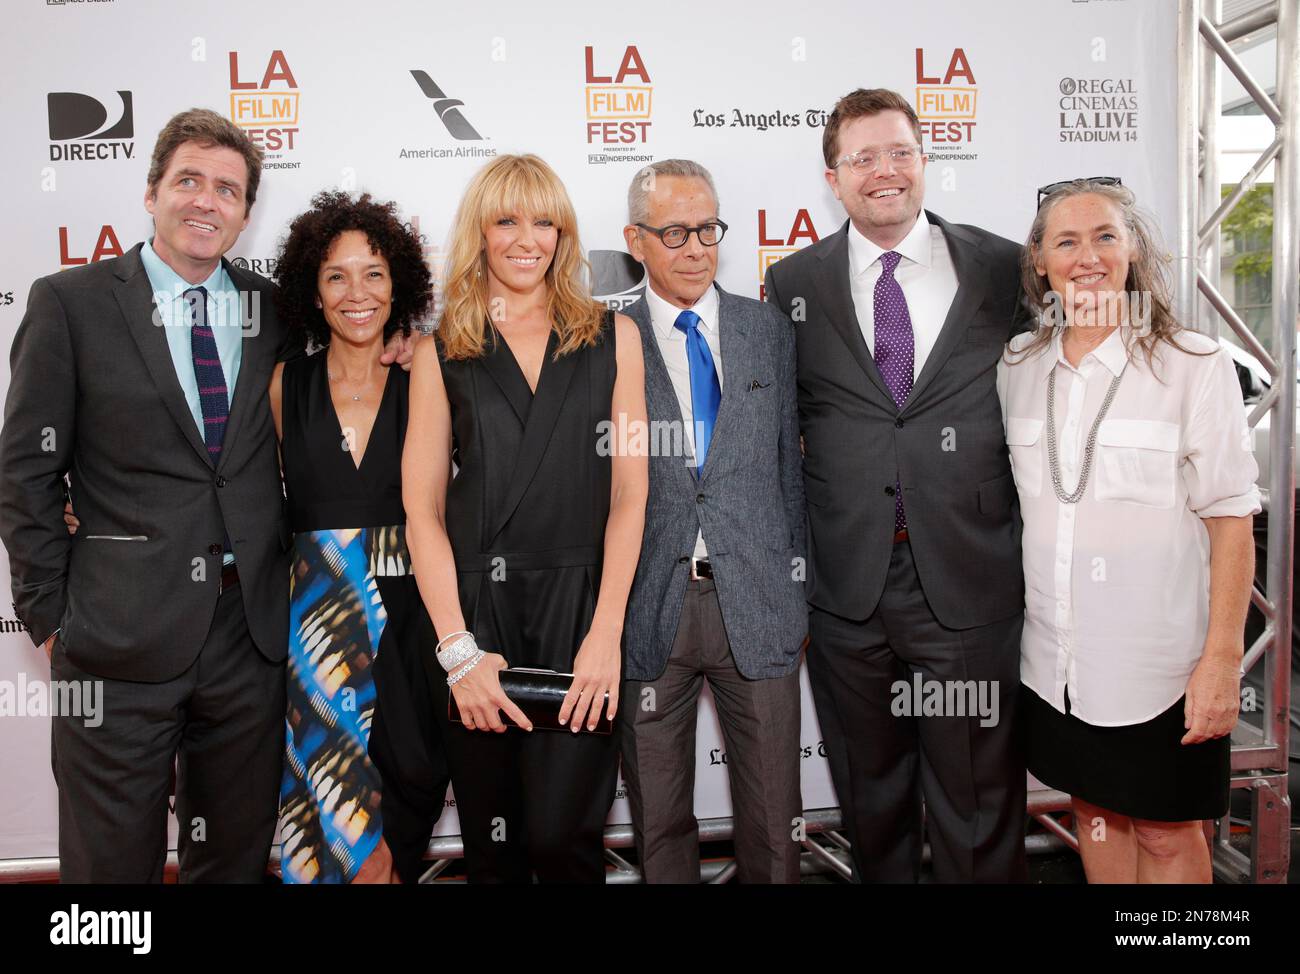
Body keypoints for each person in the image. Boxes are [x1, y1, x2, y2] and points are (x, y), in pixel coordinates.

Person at [0, 108, 291, 882]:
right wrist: (52, 618)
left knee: (232, 861)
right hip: (114, 639)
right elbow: (26, 472)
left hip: (248, 637)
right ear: (151, 191)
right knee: (110, 873)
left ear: (245, 214)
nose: (206, 201)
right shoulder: (71, 303)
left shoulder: (275, 311)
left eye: (227, 189)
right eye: (188, 180)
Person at [764, 88, 1028, 882]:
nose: (885, 171)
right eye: (863, 158)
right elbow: (784, 426)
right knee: (871, 801)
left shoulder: (1002, 266)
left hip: (968, 577)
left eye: (899, 152)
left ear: (924, 159)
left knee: (976, 800)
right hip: (848, 589)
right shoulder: (793, 283)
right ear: (833, 178)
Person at [998, 178, 1259, 884]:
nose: (1088, 257)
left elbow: (1232, 520)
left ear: (1134, 248)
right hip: (1055, 666)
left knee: (1168, 837)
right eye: (1067, 241)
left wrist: (1223, 661)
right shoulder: (1018, 366)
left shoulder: (1194, 365)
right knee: (1096, 816)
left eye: (1106, 236)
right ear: (1040, 261)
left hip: (1162, 668)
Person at [403, 154, 648, 883]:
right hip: (478, 616)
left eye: (544, 222)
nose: (526, 239)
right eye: (506, 220)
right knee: (495, 848)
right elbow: (422, 510)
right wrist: (458, 651)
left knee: (563, 840)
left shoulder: (614, 338)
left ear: (563, 234)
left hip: (582, 611)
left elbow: (631, 492)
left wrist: (606, 634)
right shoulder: (439, 351)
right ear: (479, 232)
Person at [618, 159, 806, 883]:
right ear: (636, 239)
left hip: (758, 602)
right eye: (674, 232)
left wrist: (798, 590)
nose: (696, 248)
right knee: (659, 821)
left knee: (774, 822)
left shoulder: (768, 330)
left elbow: (790, 471)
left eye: (708, 230)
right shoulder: (607, 338)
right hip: (646, 607)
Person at [270, 191, 449, 884]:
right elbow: (237, 492)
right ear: (312, 292)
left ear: (397, 284)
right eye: (337, 276)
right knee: (333, 815)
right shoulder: (284, 385)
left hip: (415, 610)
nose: (357, 293)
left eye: (374, 273)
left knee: (414, 781)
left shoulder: (428, 370)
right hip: (319, 623)